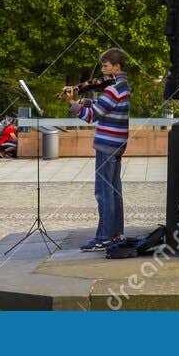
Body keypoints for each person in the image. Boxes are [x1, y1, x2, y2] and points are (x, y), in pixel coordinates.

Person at [65, 49, 130, 252]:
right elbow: (105, 105)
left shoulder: (112, 89)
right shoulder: (122, 86)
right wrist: (85, 101)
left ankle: (104, 237)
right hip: (118, 143)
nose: (102, 69)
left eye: (105, 65)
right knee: (114, 191)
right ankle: (117, 233)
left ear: (116, 66)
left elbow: (93, 116)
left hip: (107, 145)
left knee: (103, 193)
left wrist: (72, 105)